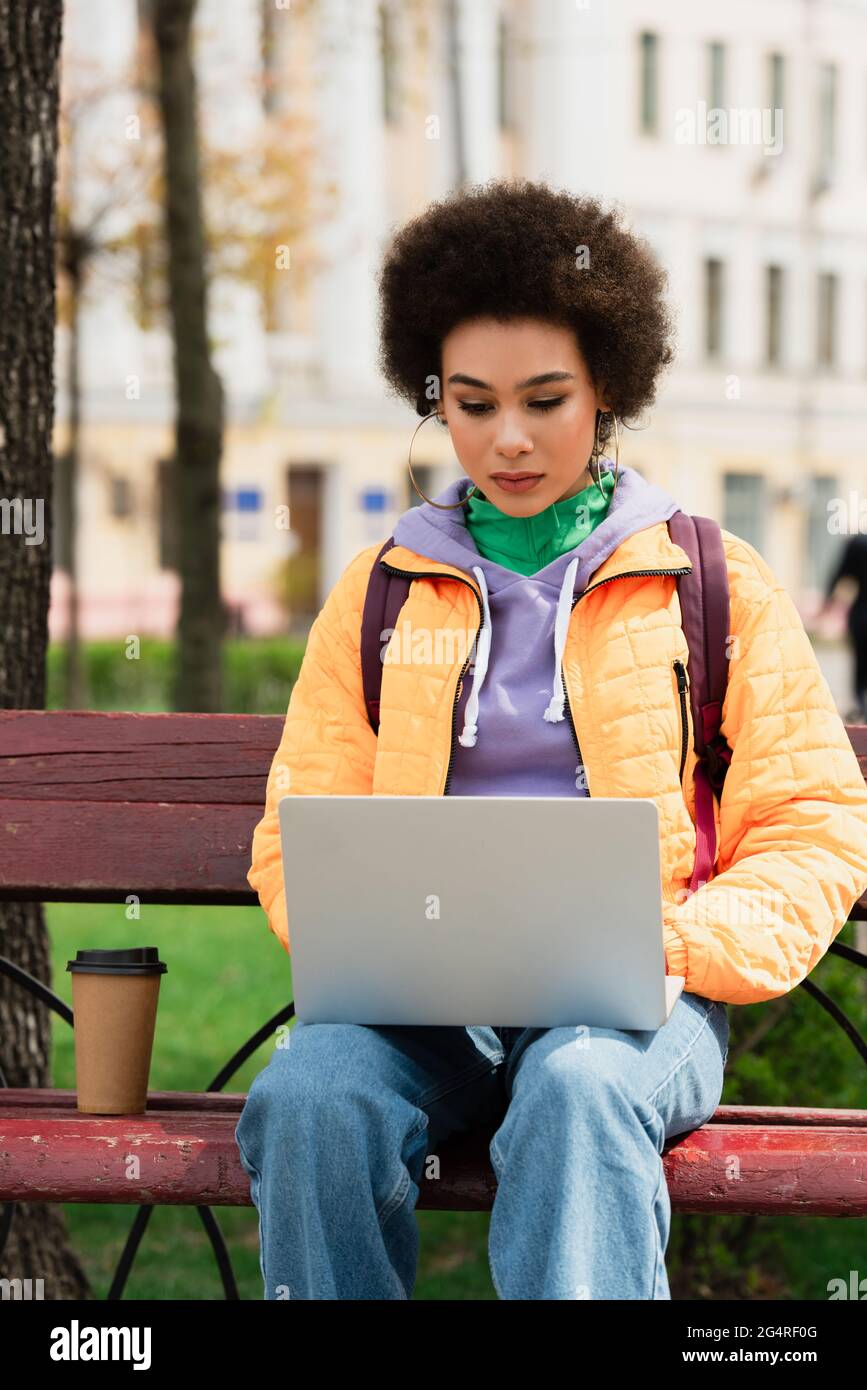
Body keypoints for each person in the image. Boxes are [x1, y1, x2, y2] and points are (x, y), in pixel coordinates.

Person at [235, 178, 867, 1300]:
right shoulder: (379, 591)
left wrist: (675, 944)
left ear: (606, 387)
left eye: (545, 399)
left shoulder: (708, 577)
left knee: (577, 1092)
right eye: (473, 404)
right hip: (423, 1009)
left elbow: (813, 822)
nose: (509, 438)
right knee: (309, 1098)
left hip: (631, 1010)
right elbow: (300, 824)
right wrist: (368, 935)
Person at [818, 533, 867, 722]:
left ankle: (862, 706)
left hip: (861, 614)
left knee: (860, 663)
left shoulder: (857, 543)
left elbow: (839, 574)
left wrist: (826, 605)